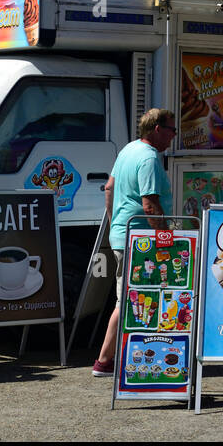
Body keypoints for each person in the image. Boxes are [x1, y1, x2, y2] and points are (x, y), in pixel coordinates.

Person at [93, 108, 176, 377]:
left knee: (131, 297)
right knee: (131, 299)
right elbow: (150, 205)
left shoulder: (128, 149)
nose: (174, 135)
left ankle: (117, 358)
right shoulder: (149, 158)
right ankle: (105, 361)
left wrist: (115, 222)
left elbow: (109, 188)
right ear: (157, 129)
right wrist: (166, 239)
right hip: (142, 240)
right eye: (172, 130)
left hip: (124, 235)